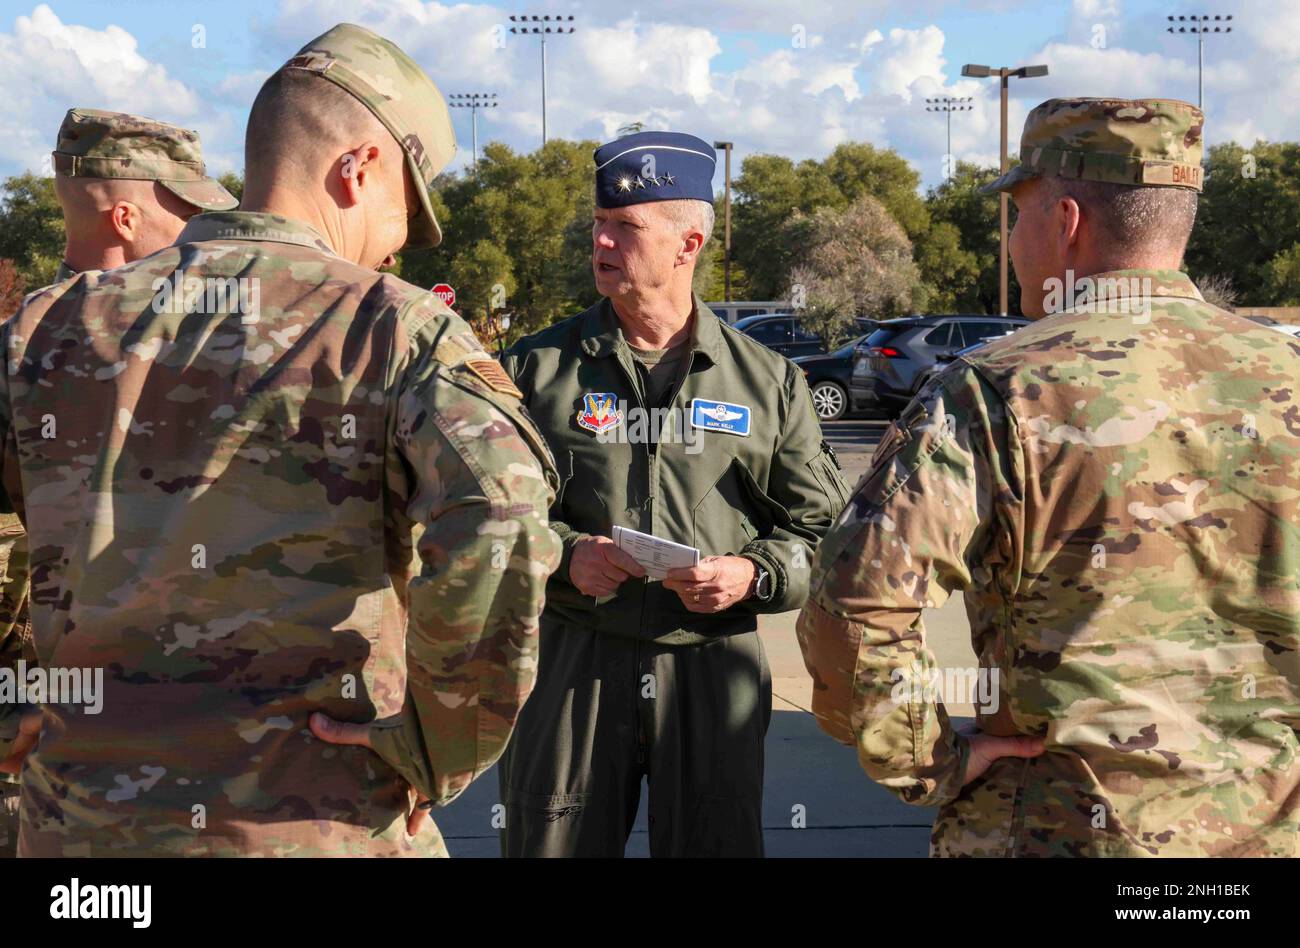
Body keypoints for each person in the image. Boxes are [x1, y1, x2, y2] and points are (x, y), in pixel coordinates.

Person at [0, 22, 560, 857]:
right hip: (314, 822)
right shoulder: (394, 328)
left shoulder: (42, 329)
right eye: (407, 207)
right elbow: (502, 518)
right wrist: (440, 745)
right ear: (359, 167)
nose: (399, 239)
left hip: (82, 832)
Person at [797, 97, 1300, 857]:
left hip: (1056, 830)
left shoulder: (996, 388)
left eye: (1016, 216)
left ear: (1066, 221)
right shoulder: (1287, 375)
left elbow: (855, 608)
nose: (1010, 241)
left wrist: (929, 759)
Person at [497, 130, 850, 857]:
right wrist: (566, 555)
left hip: (711, 664)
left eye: (625, 227)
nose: (600, 240)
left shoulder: (767, 381)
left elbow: (825, 535)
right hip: (573, 659)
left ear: (689, 243)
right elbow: (483, 516)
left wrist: (754, 573)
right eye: (597, 223)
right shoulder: (533, 369)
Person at [0, 108, 237, 858]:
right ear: (128, 215)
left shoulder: (28, 343)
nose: (201, 233)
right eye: (188, 212)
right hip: (73, 759)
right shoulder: (30, 352)